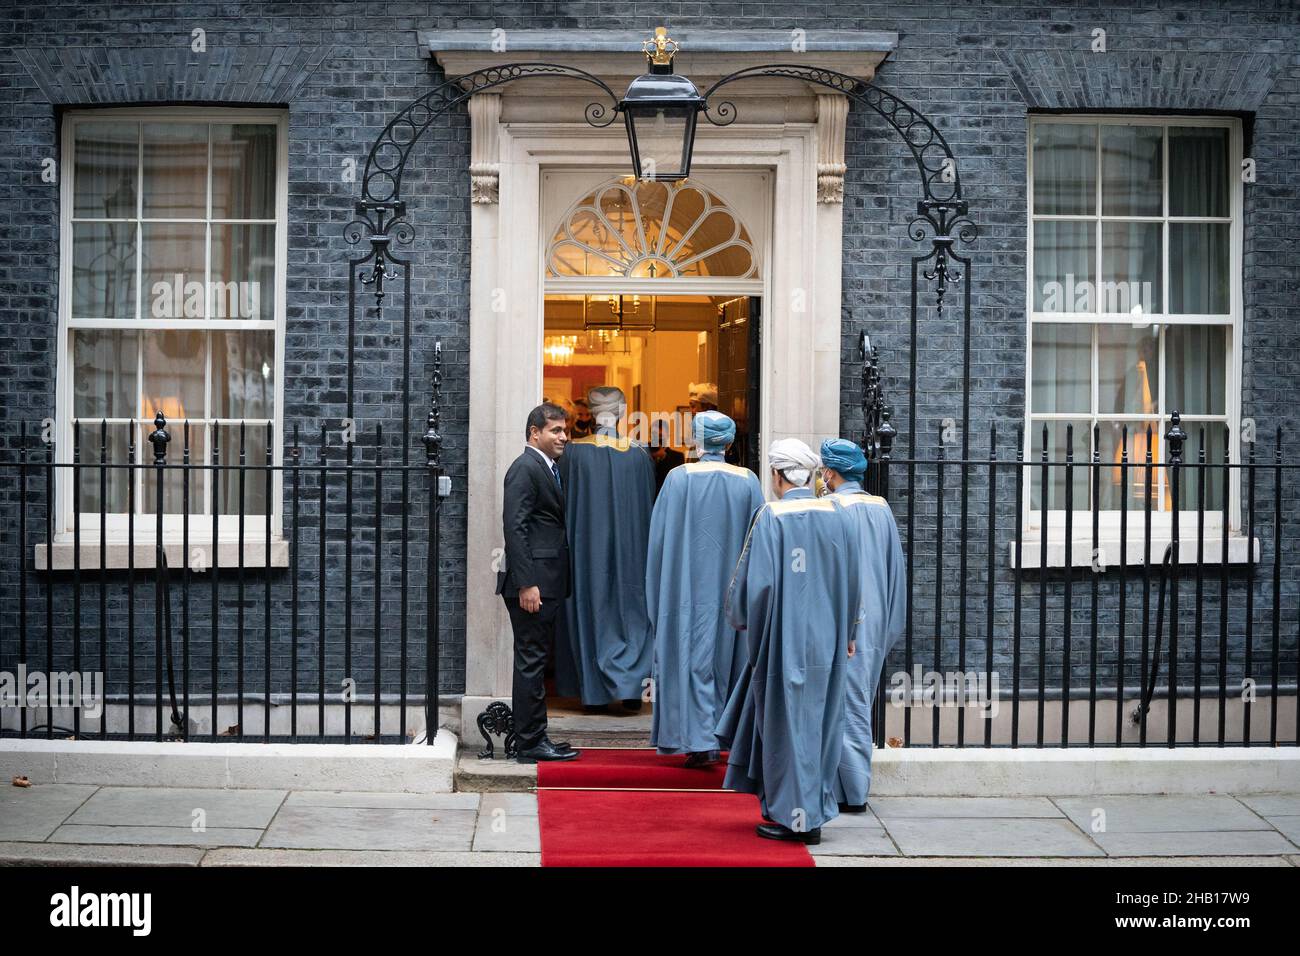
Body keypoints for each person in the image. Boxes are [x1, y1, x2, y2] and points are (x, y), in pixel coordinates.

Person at [715, 438, 864, 844]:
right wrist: (850, 632)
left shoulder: (771, 517)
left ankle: (797, 820)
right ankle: (810, 809)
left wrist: (746, 627)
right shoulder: (838, 515)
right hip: (829, 640)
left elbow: (756, 589)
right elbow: (853, 580)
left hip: (785, 642)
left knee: (786, 727)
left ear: (778, 476)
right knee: (820, 725)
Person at [646, 411, 764, 768]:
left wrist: (657, 594)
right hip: (733, 592)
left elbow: (659, 543)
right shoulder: (747, 481)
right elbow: (760, 540)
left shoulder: (678, 479)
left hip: (684, 591)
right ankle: (724, 734)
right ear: (729, 443)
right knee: (728, 659)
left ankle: (696, 738)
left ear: (696, 440)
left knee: (689, 656)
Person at [555, 385, 656, 713]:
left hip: (587, 552)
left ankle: (593, 691)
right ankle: (631, 688)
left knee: (590, 606)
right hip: (632, 552)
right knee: (632, 611)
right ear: (624, 411)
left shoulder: (572, 453)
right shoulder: (639, 455)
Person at [820, 438, 907, 813]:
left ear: (829, 472)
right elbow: (895, 574)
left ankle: (852, 792)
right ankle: (845, 787)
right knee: (856, 702)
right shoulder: (880, 507)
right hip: (875, 624)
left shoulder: (827, 507)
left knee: (841, 707)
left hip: (842, 625)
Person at [497, 403, 582, 763]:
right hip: (533, 585)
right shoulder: (525, 468)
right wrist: (527, 584)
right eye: (555, 431)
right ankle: (530, 742)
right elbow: (514, 528)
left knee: (535, 659)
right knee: (531, 661)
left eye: (564, 430)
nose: (564, 437)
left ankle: (536, 734)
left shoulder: (545, 468)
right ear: (535, 433)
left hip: (546, 582)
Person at [649, 418, 685, 496]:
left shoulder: (678, 457)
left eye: (661, 435)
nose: (658, 439)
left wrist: (664, 457)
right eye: (655, 435)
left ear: (668, 436)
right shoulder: (644, 454)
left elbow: (675, 483)